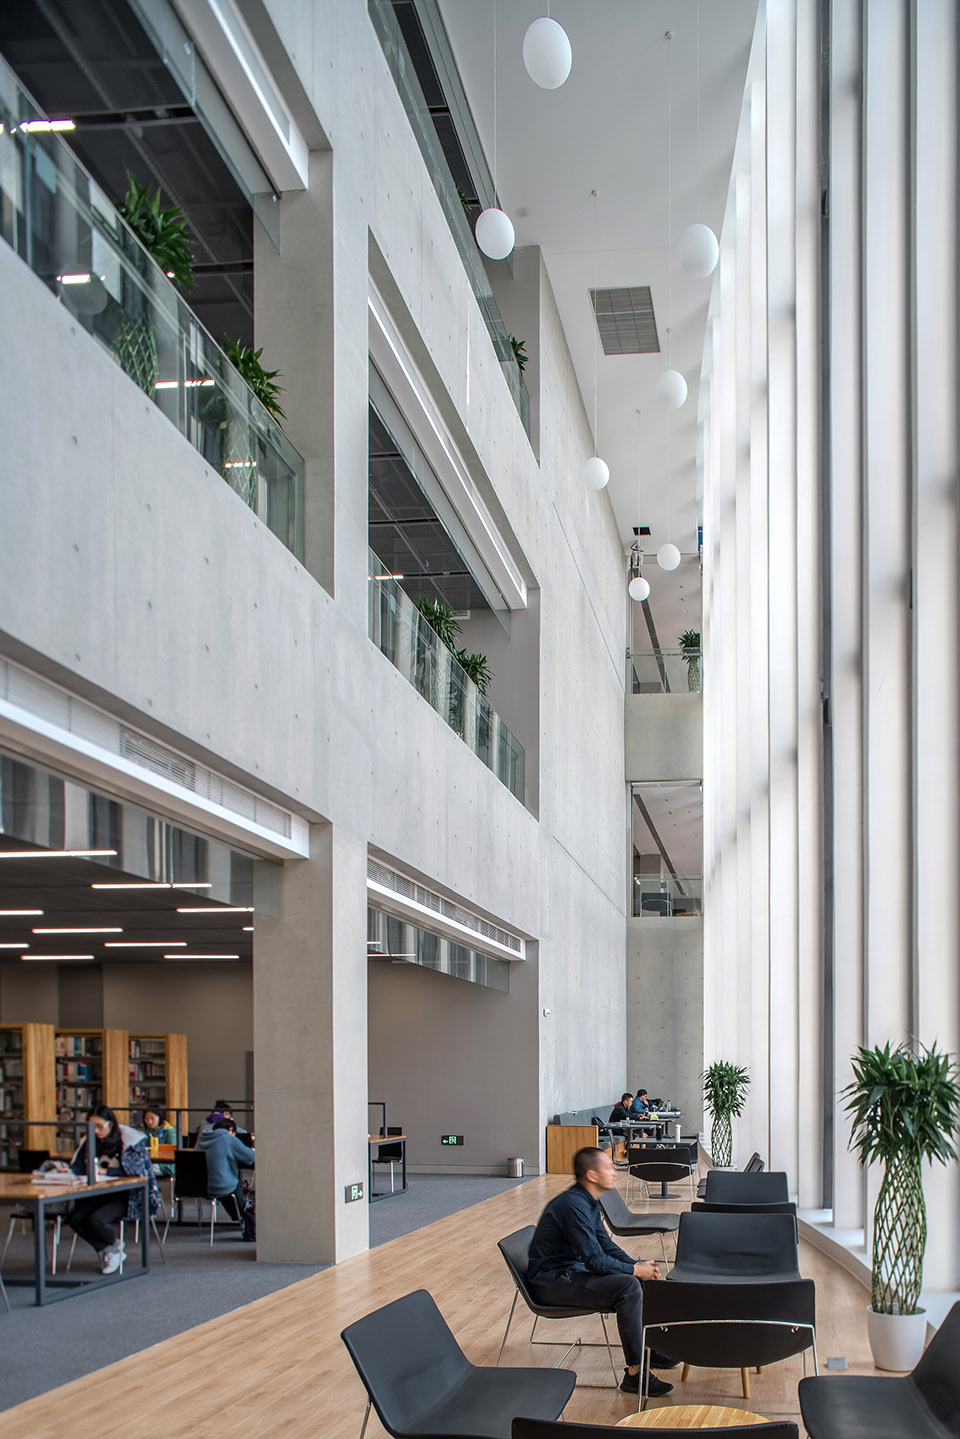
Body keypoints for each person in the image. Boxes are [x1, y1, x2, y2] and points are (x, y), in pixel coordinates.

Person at [526, 1146, 676, 1395]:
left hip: (571, 1272)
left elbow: (605, 1244)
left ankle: (647, 1349)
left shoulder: (588, 1200)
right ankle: (635, 1374)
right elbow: (595, 1259)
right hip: (552, 1283)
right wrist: (633, 1271)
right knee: (629, 1285)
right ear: (592, 1175)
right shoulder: (573, 1205)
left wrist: (636, 1266)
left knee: (636, 1279)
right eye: (608, 1167)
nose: (614, 1171)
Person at [60, 1105, 160, 1274]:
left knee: (95, 1220)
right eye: (92, 1127)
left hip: (124, 1195)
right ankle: (111, 1248)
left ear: (111, 1124)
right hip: (97, 1193)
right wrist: (69, 1171)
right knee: (74, 1218)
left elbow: (136, 1173)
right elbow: (78, 1165)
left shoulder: (126, 1143)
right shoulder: (89, 1141)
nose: (96, 1131)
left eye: (100, 1126)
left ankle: (110, 1249)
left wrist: (108, 1171)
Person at [197, 1117, 256, 1240]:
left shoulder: (201, 1138)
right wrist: (253, 1150)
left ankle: (237, 1215)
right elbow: (250, 1157)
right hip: (222, 1186)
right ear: (231, 1130)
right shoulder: (228, 1139)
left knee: (227, 1180)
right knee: (235, 1182)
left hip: (201, 1186)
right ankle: (244, 1213)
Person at [142, 1106, 176, 1176]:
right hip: (150, 1160)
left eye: (152, 1118)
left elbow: (172, 1150)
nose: (149, 1121)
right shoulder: (147, 1130)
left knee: (142, 1169)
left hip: (164, 1164)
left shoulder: (169, 1131)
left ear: (159, 1117)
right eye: (147, 1119)